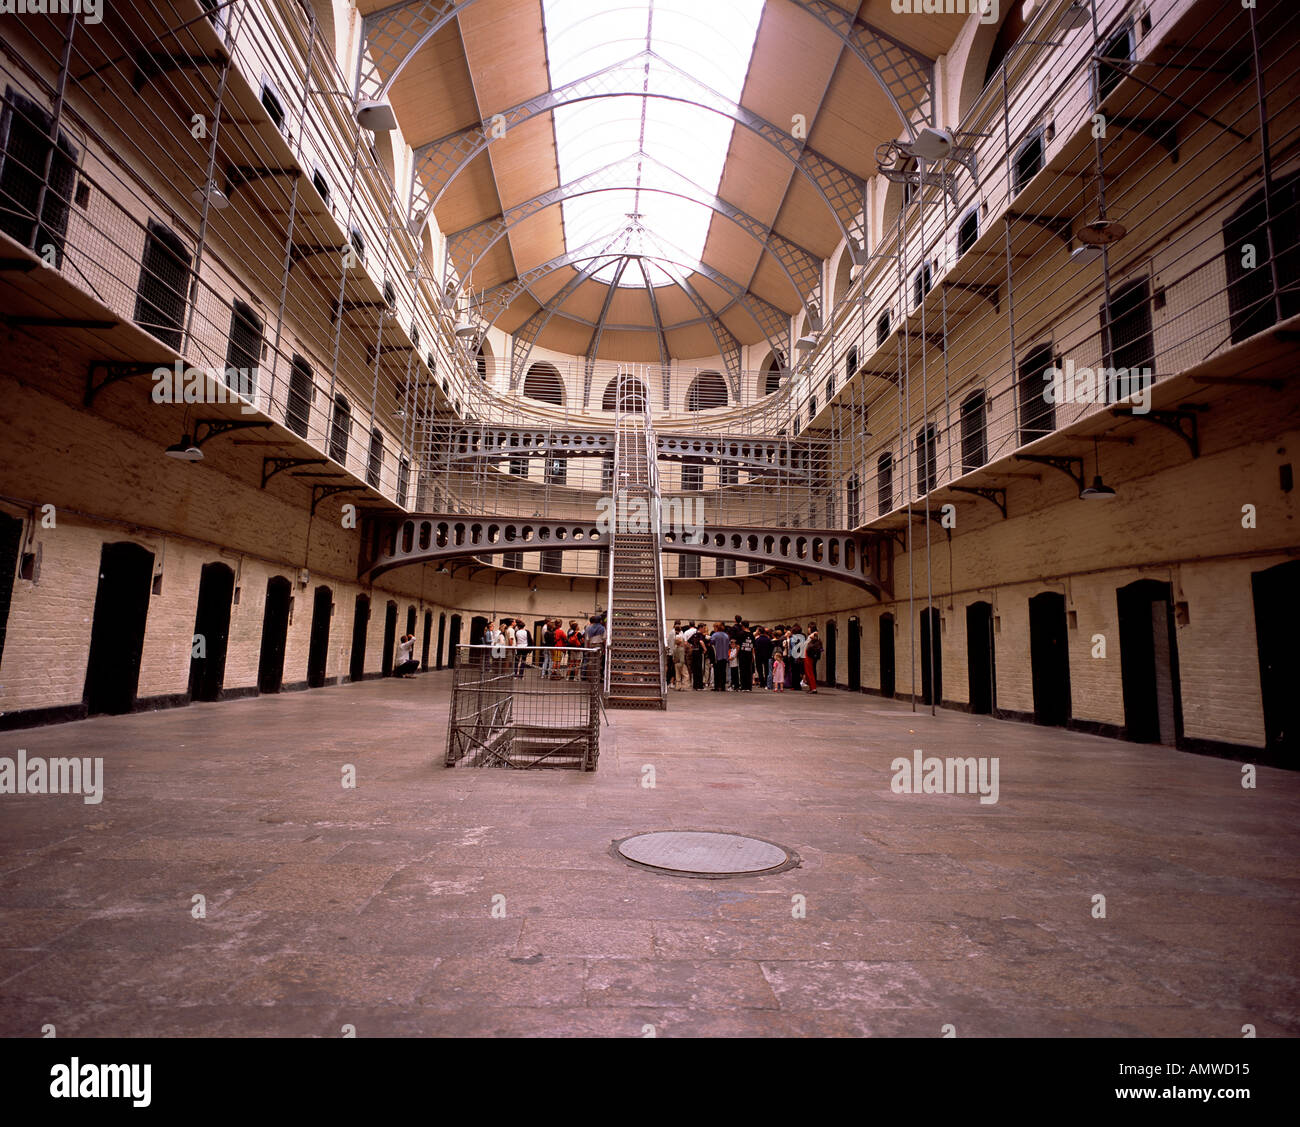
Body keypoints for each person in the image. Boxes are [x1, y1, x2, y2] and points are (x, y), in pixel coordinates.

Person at [709, 622, 730, 692]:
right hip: (725, 656)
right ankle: (723, 687)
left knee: (716, 672)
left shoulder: (714, 635)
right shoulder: (726, 635)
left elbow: (711, 644)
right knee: (723, 672)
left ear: (716, 627)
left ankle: (717, 686)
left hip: (717, 656)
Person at [804, 624, 821, 693]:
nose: (808, 629)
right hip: (806, 654)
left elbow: (814, 638)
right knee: (808, 672)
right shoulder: (812, 635)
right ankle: (811, 687)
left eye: (809, 628)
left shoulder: (814, 634)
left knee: (810, 671)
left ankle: (813, 688)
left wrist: (813, 634)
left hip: (808, 655)